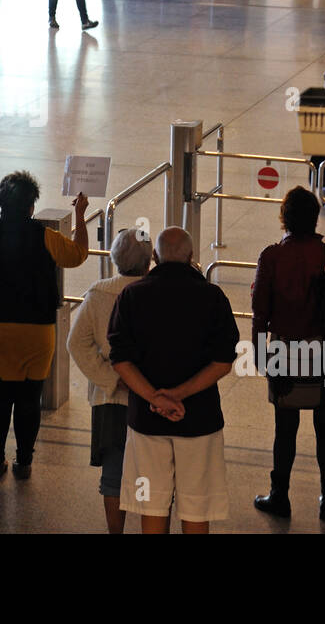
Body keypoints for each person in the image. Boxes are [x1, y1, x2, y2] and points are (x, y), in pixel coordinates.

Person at [108, 227, 239, 534]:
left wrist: (156, 398)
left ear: (155, 257)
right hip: (201, 422)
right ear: (191, 257)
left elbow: (120, 360)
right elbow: (223, 362)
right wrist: (179, 394)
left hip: (146, 422)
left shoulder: (132, 295)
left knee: (151, 505)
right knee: (196, 508)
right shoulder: (212, 297)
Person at [0, 173, 90, 479]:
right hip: (35, 332)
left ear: (1, 203)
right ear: (31, 207)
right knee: (29, 398)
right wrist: (81, 216)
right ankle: (24, 461)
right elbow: (78, 255)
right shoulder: (45, 237)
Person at [250, 187, 325, 521]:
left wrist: (259, 353)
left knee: (285, 427)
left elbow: (259, 312)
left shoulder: (272, 256)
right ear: (315, 218)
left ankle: (279, 494)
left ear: (284, 218)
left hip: (284, 348)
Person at [68, 228, 152, 535]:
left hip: (110, 400)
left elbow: (76, 344)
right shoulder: (156, 291)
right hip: (152, 398)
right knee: (151, 471)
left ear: (115, 259)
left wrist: (112, 380)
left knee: (113, 473)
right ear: (149, 262)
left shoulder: (99, 292)